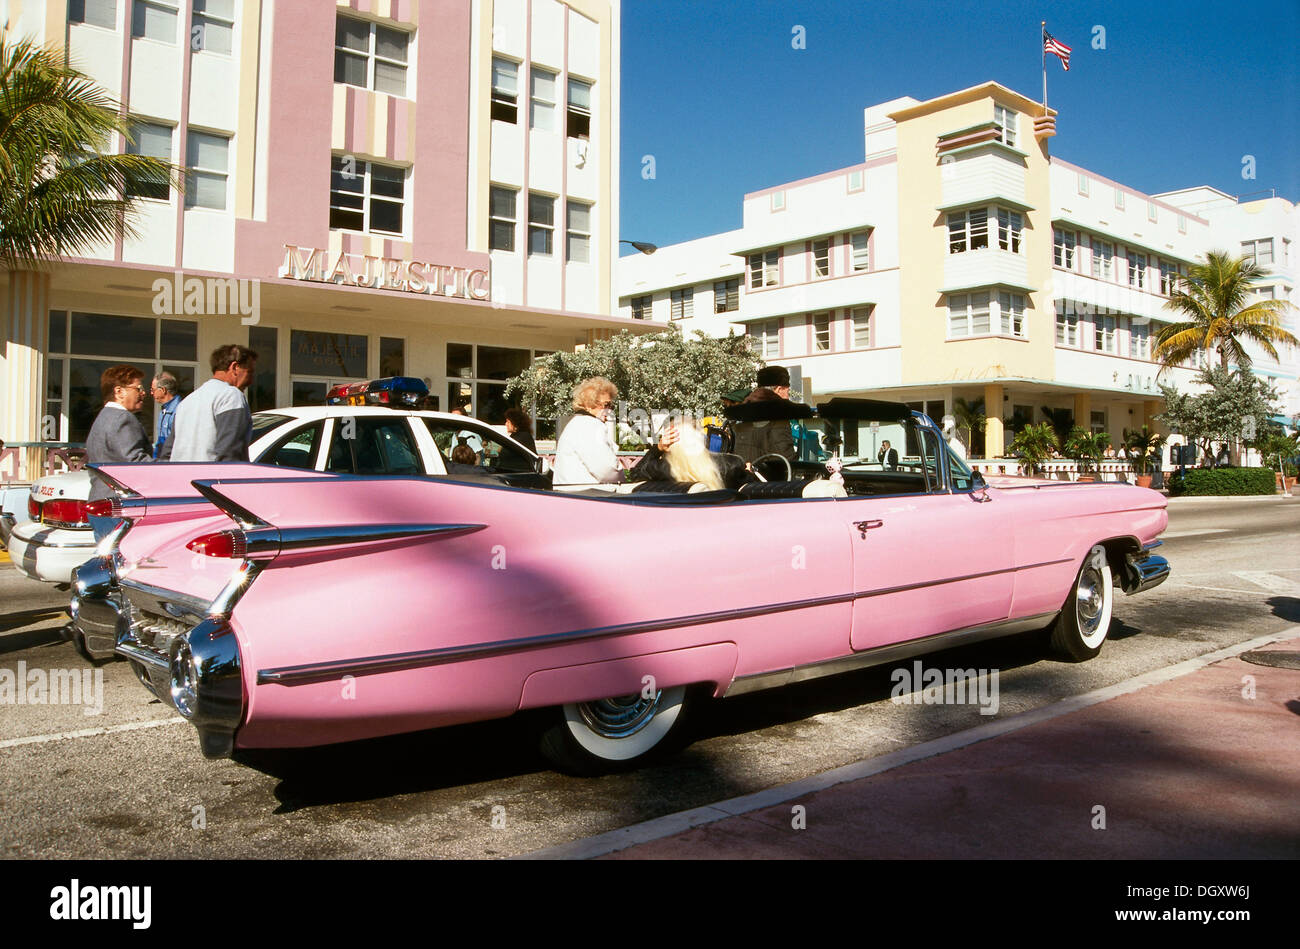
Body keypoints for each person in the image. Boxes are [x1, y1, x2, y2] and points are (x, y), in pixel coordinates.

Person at [165, 344, 256, 462]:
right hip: (211, 478)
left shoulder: (187, 401)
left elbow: (167, 452)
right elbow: (230, 453)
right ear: (235, 367)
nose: (252, 380)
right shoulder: (231, 396)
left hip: (181, 478)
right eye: (250, 372)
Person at [553, 377, 623, 488]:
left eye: (611, 406)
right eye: (606, 405)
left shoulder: (576, 423)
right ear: (589, 404)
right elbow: (607, 470)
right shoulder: (591, 425)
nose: (610, 410)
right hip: (587, 497)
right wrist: (623, 476)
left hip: (569, 495)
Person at [84, 365, 152, 464]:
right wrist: (170, 467)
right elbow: (135, 462)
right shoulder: (123, 418)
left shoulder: (103, 416)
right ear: (119, 392)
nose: (143, 393)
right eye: (139, 389)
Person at [732, 367, 797, 464]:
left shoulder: (744, 413)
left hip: (744, 476)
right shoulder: (777, 416)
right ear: (779, 390)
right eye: (787, 392)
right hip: (768, 478)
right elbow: (785, 459)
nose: (788, 397)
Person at [150, 371, 182, 460]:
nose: (151, 393)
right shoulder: (164, 410)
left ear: (163, 390)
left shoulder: (180, 410)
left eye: (153, 389)